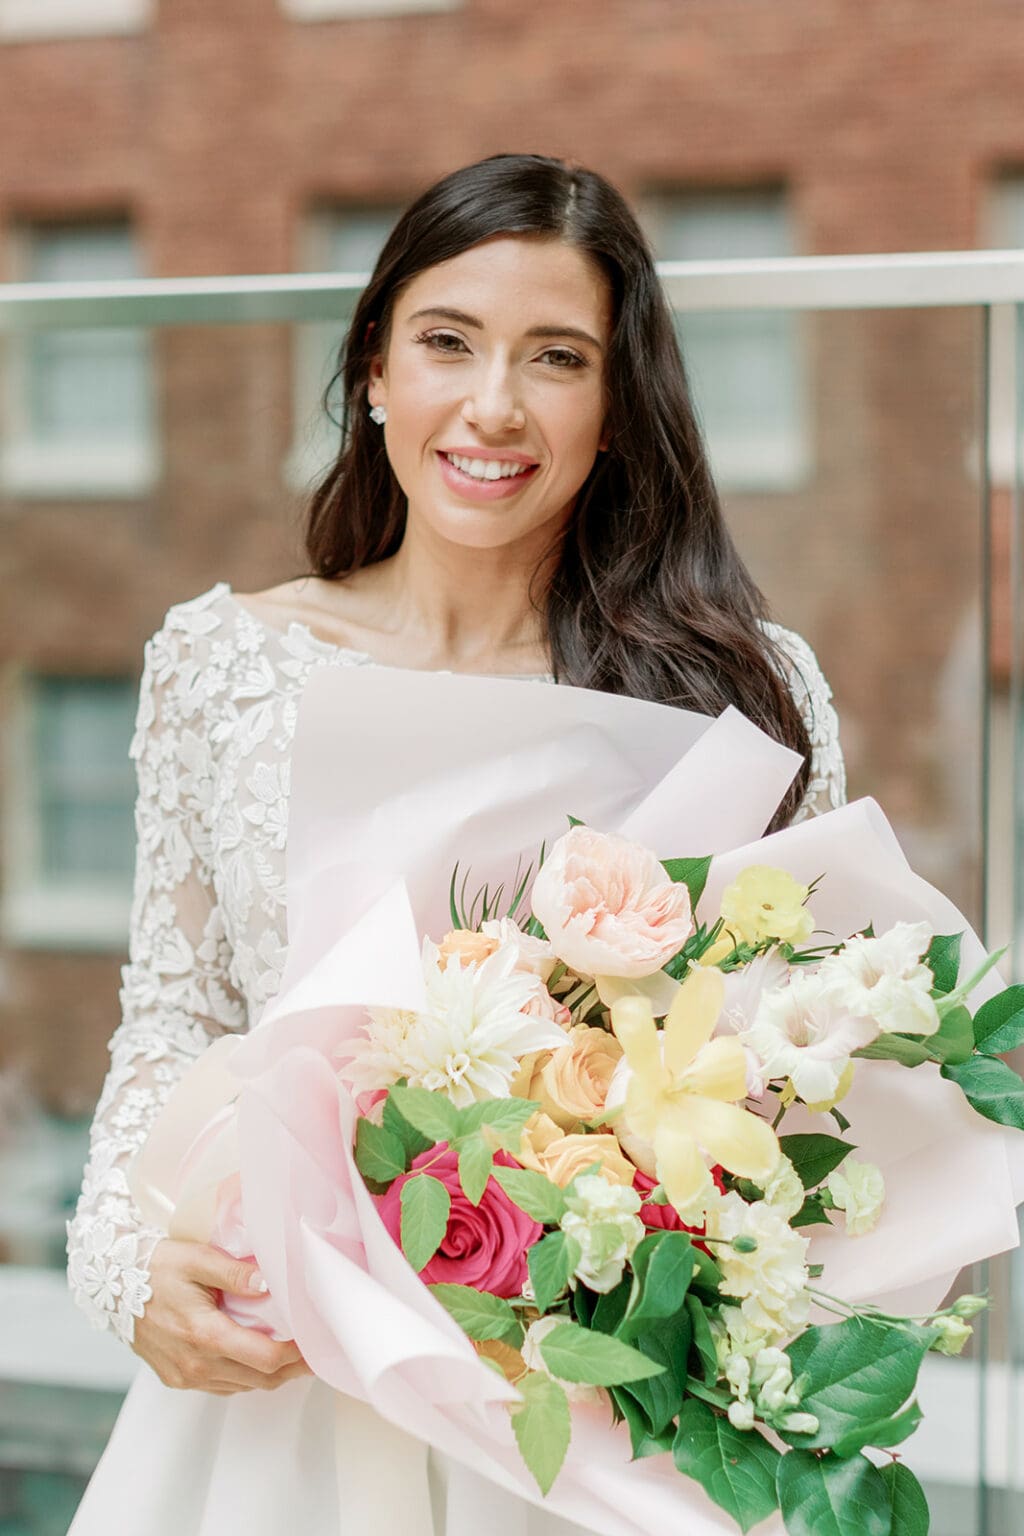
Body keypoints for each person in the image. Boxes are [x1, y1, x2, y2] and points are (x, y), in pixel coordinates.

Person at [66, 152, 846, 1534]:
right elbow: (173, 1020)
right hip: (283, 1370)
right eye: (447, 343)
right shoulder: (221, 661)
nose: (493, 406)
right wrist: (129, 1274)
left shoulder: (741, 696)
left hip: (575, 1412)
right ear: (373, 368)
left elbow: (801, 1076)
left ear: (617, 410)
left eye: (557, 358)